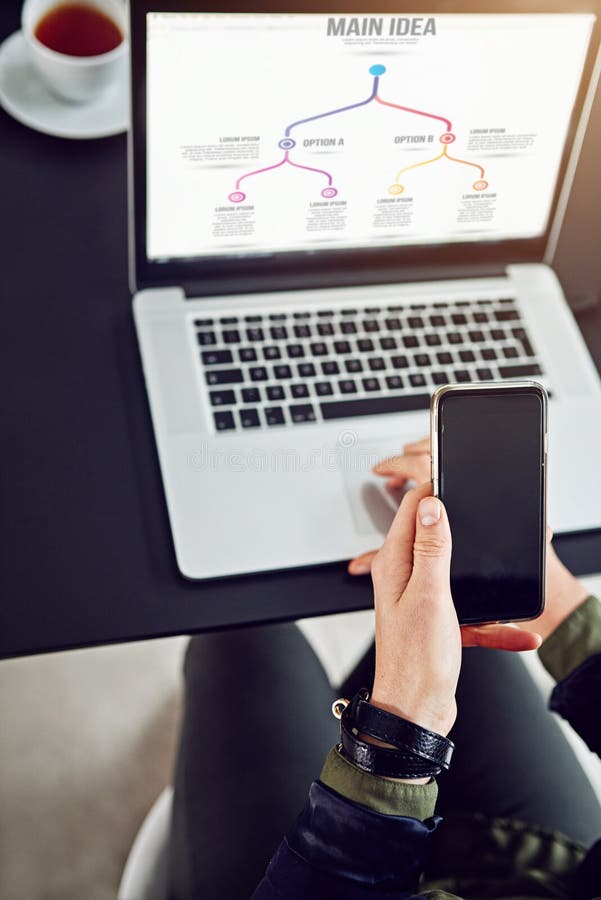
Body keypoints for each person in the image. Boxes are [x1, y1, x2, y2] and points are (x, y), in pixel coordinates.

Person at [167, 438, 601, 900]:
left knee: (241, 638)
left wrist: (399, 737)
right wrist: (544, 586)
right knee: (469, 631)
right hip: (553, 874)